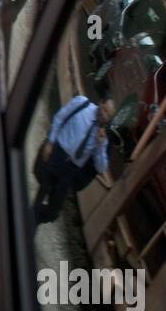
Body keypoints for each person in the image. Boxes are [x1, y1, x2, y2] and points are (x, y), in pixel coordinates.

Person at [33, 94, 116, 224]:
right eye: (105, 110)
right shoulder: (82, 104)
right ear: (101, 103)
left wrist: (100, 146)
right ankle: (29, 223)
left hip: (70, 169)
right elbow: (60, 118)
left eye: (108, 116)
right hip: (58, 153)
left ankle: (32, 216)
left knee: (52, 212)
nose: (104, 116)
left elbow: (101, 168)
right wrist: (50, 142)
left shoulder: (102, 137)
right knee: (42, 191)